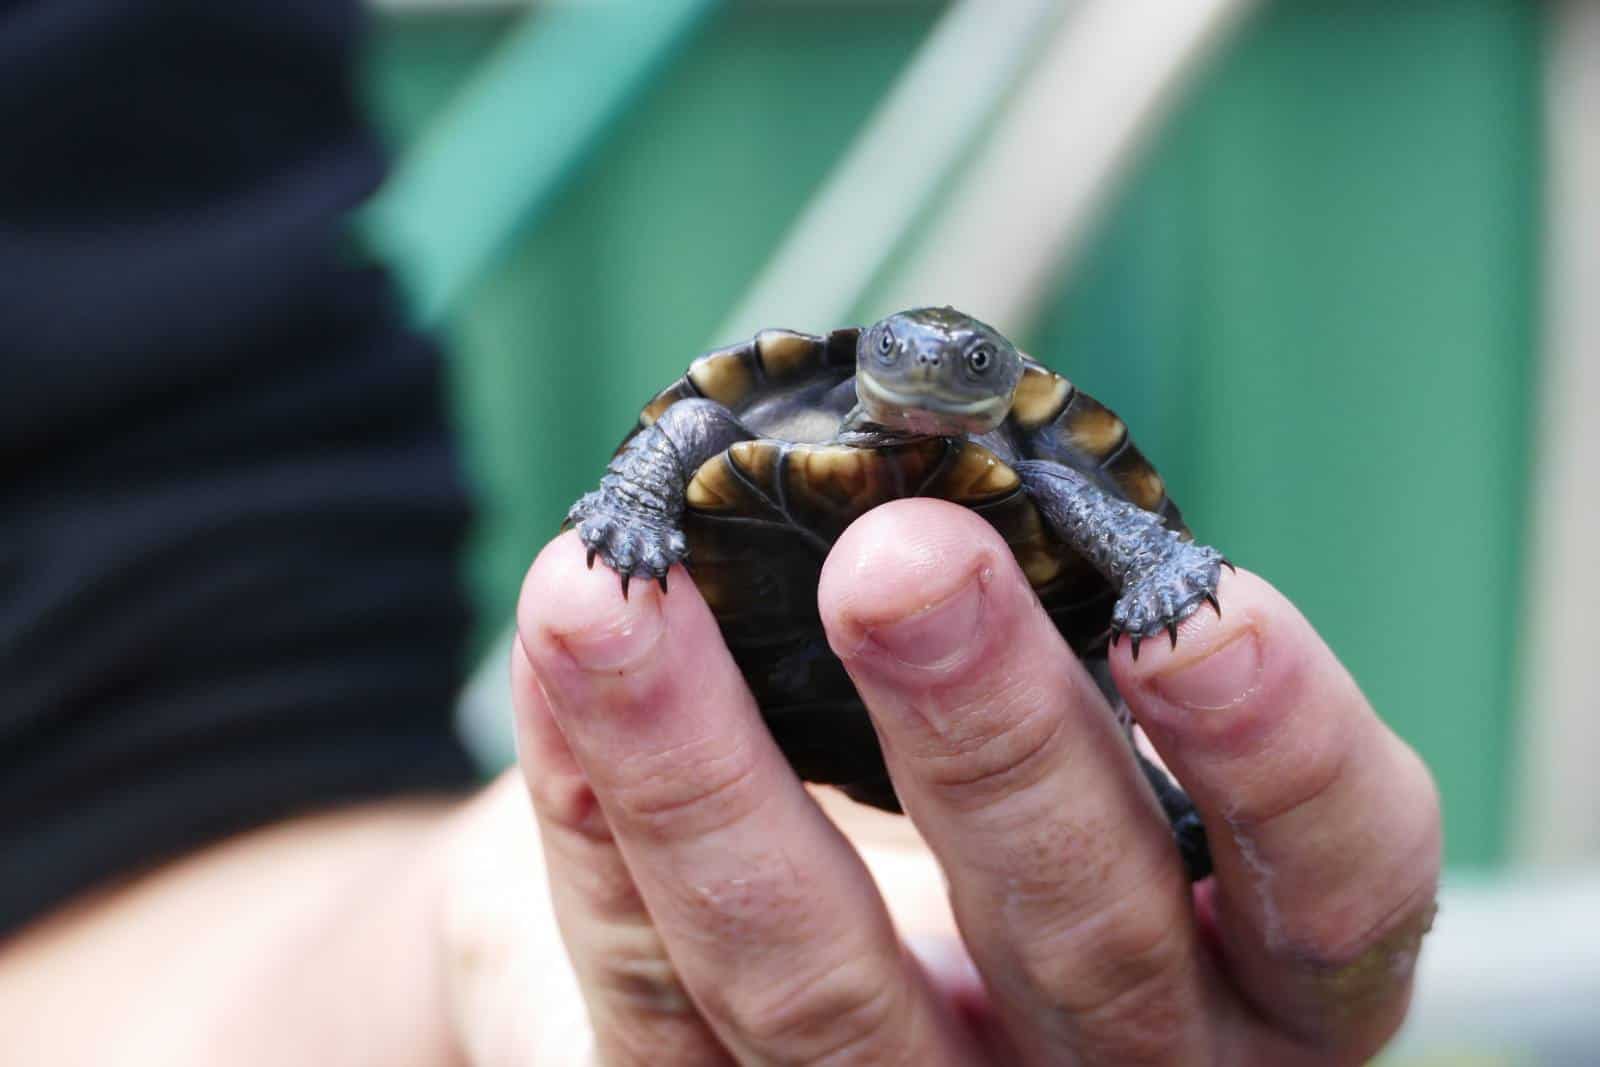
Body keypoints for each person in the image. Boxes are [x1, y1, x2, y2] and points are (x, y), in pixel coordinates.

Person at [0, 4, 1439, 1063]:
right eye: (921, 359)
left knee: (1097, 719)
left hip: (954, 703)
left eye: (968, 364)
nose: (943, 375)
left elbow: (171, 738)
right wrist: (634, 502)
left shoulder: (111, 114)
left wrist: (474, 952)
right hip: (781, 650)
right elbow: (693, 431)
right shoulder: (761, 422)